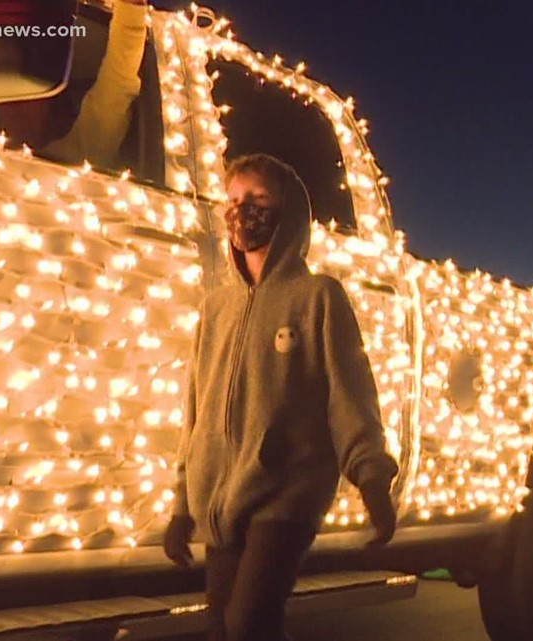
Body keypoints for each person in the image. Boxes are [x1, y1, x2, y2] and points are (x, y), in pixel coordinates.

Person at [162, 153, 399, 641]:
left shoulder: (318, 298)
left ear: (287, 213)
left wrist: (372, 480)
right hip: (220, 501)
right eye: (234, 200)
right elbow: (196, 410)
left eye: (259, 199)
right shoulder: (216, 307)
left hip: (285, 494)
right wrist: (182, 505)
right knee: (222, 625)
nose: (243, 211)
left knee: (248, 621)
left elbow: (350, 395)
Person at [0, 0, 147, 168]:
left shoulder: (82, 155)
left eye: (23, 93)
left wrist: (131, 6)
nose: (8, 99)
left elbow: (118, 80)